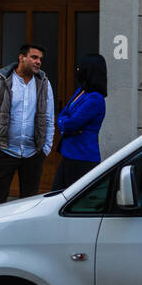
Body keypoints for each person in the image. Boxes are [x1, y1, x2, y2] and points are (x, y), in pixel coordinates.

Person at [0, 43, 54, 205]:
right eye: (34, 57)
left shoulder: (44, 83)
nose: (38, 62)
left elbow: (49, 118)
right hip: (4, 151)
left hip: (33, 153)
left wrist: (46, 147)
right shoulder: (1, 81)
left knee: (29, 203)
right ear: (21, 58)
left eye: (40, 59)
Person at [52, 53, 108, 190]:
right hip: (69, 154)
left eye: (80, 67)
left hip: (82, 158)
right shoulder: (81, 91)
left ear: (89, 71)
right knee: (56, 194)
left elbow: (72, 124)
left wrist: (65, 123)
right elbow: (63, 115)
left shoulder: (95, 99)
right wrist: (64, 122)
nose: (77, 70)